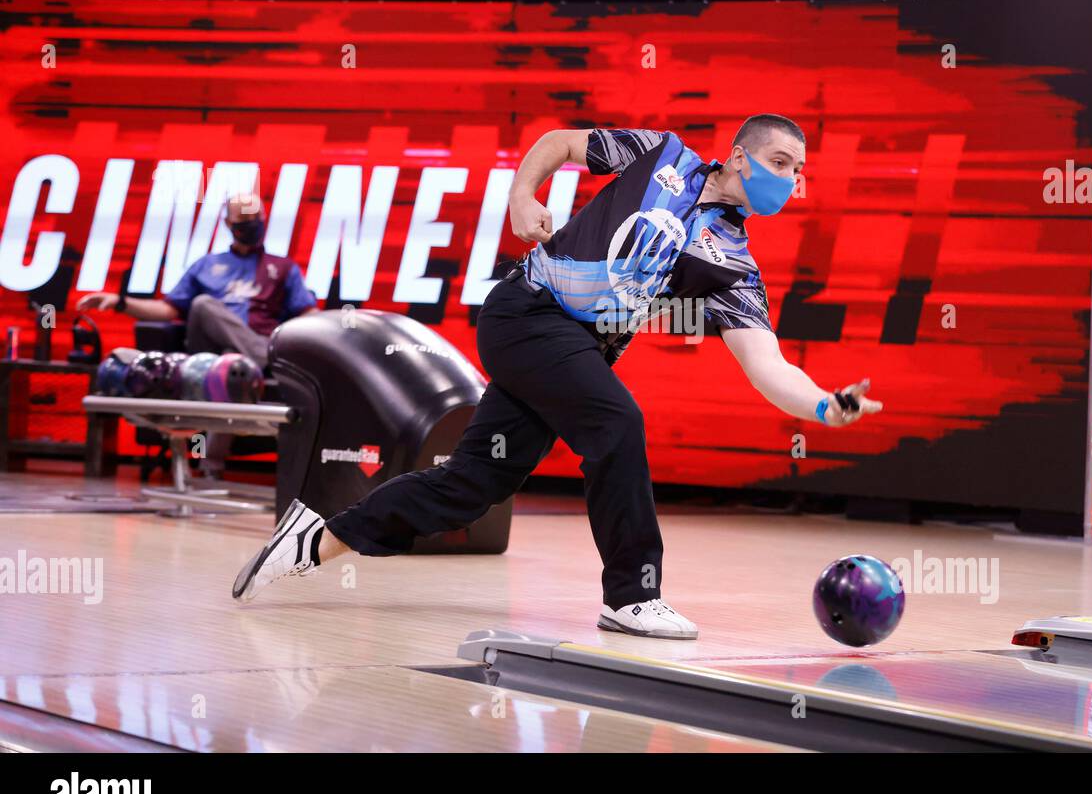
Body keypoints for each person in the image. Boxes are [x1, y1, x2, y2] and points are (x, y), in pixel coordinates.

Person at [232, 115, 882, 640]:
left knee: (470, 486)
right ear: (740, 157)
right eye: (780, 164)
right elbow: (561, 142)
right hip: (528, 315)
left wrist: (825, 406)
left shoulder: (733, 264)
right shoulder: (664, 154)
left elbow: (766, 363)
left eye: (798, 172)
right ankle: (634, 594)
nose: (790, 180)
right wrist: (522, 194)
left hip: (575, 354)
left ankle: (316, 539)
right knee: (617, 423)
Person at [79, 192, 319, 472]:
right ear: (229, 224)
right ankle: (259, 357)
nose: (252, 226)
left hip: (242, 357)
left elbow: (308, 315)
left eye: (257, 220)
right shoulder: (206, 266)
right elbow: (167, 311)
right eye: (244, 221)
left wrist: (340, 324)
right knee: (203, 305)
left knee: (232, 366)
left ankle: (210, 468)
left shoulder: (283, 268)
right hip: (208, 352)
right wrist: (120, 302)